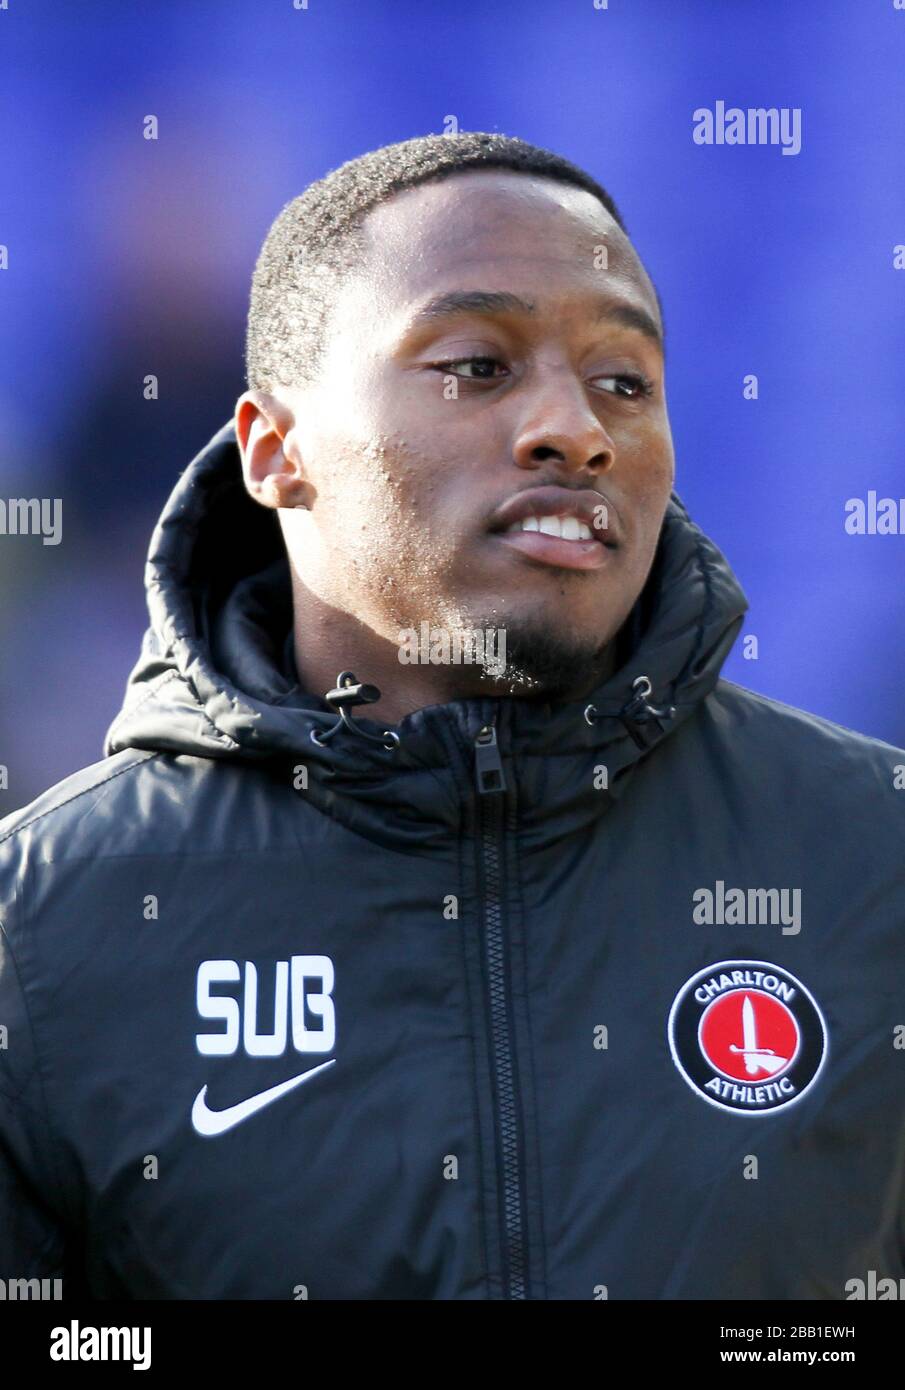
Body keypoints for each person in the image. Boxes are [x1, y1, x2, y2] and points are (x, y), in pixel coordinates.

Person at [0, 132, 902, 1301]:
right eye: (477, 365)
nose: (575, 428)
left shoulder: (870, 858)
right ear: (276, 451)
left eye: (623, 380)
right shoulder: (41, 931)